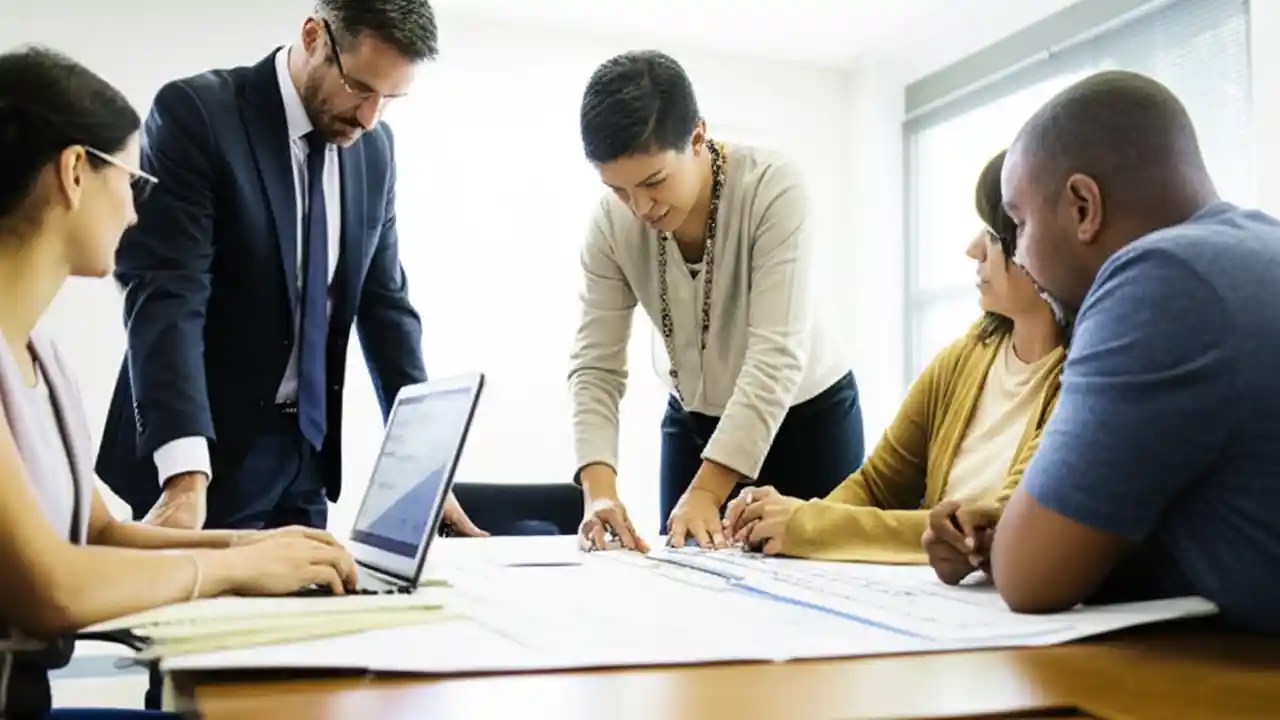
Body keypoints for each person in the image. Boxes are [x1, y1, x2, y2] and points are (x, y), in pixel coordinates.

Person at [0, 45, 360, 720]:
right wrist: (230, 570)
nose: (138, 215)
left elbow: (100, 533)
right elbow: (50, 589)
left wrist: (259, 546)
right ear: (75, 172)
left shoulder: (40, 354)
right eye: (133, 183)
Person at [95, 0, 484, 537]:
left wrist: (426, 477)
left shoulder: (376, 150)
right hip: (206, 457)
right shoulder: (199, 114)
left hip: (307, 458)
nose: (370, 116)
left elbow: (386, 309)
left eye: (390, 99)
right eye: (361, 88)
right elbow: (167, 293)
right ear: (312, 36)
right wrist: (183, 478)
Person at [929, 71, 1280, 636]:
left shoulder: (1158, 278)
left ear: (1083, 206)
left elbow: (1030, 577)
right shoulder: (1253, 247)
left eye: (1018, 223)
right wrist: (1029, 524)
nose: (1017, 252)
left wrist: (1018, 536)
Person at [569, 50, 864, 552]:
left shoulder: (773, 186)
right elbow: (596, 366)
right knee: (688, 593)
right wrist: (599, 493)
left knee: (813, 600)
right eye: (618, 190)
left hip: (805, 420)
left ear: (698, 137)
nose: (639, 208)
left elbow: (775, 356)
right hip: (692, 421)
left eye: (653, 182)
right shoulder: (610, 224)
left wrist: (707, 491)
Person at [724, 150, 1067, 562]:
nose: (973, 249)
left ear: (1042, 243)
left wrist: (811, 526)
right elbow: (877, 485)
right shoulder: (963, 359)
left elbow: (1001, 525)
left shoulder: (1083, 380)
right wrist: (788, 522)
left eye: (993, 235)